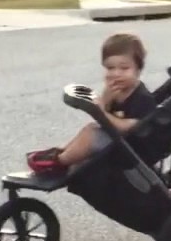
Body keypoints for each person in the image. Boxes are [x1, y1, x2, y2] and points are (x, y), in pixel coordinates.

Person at [28, 33, 156, 174]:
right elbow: (105, 108)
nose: (116, 73)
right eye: (110, 68)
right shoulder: (116, 90)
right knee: (90, 128)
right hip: (118, 141)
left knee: (91, 135)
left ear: (138, 70)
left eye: (124, 68)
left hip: (133, 147)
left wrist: (101, 112)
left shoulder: (142, 98)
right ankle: (61, 152)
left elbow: (129, 127)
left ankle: (59, 162)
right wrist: (107, 97)